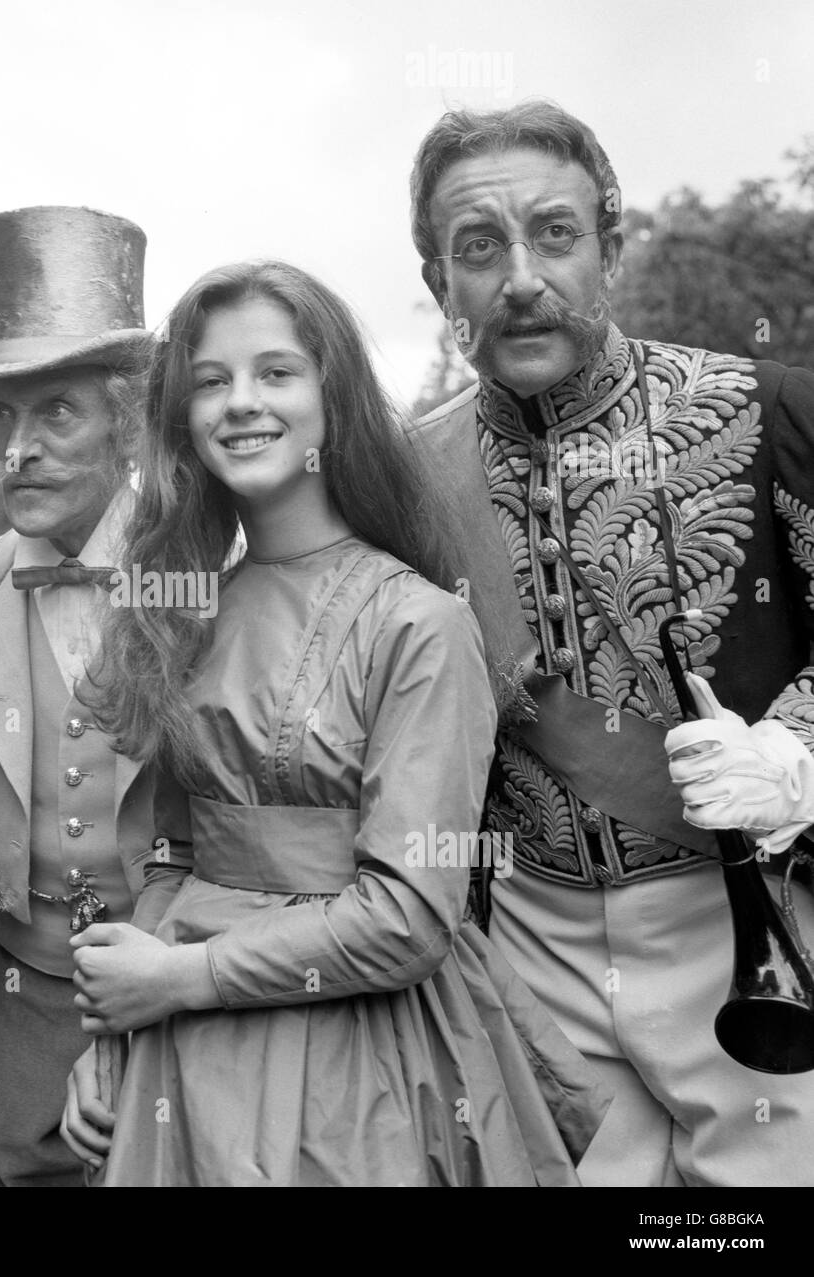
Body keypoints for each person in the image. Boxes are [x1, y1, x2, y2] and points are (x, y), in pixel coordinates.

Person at [58, 259, 609, 1187]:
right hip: (183, 1071)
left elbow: (407, 916)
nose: (240, 402)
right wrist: (116, 1034)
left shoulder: (419, 622)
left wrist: (183, 979)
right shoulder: (179, 616)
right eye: (210, 381)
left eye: (275, 372)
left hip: (362, 1071)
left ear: (333, 398)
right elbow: (169, 857)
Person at [408, 99, 814, 1186]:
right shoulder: (398, 480)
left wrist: (795, 753)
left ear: (611, 249)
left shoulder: (764, 407)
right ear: (436, 284)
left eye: (553, 233)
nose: (520, 280)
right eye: (477, 248)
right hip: (523, 944)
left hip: (751, 923)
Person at [0, 206, 192, 1187]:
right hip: (19, 990)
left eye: (55, 412)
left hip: (174, 985)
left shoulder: (210, 581)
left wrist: (162, 967)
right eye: (1, 415)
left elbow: (238, 816)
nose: (16, 446)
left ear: (129, 420)